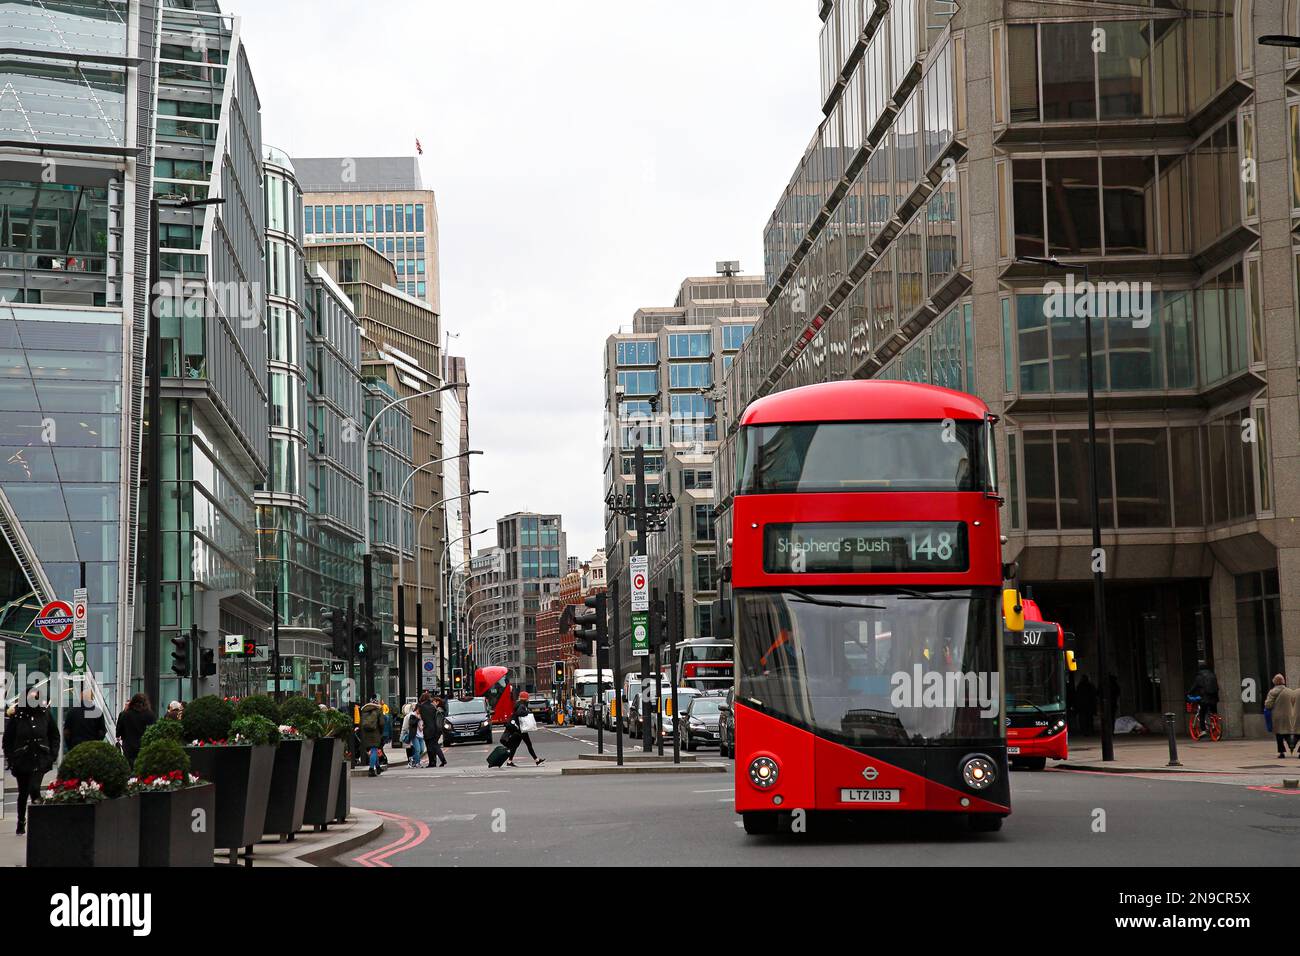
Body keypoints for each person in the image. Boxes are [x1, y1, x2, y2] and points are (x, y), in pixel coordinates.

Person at [3, 690, 59, 834]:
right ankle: (21, 820)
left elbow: (54, 735)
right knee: (23, 793)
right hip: (22, 759)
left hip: (40, 758)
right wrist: (11, 758)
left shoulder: (44, 714)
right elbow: (7, 740)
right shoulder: (18, 716)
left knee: (34, 787)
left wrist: (52, 755)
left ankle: (39, 823)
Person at [115, 692, 156, 767]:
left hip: (129, 746)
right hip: (144, 746)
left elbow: (118, 733)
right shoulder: (150, 715)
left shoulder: (125, 714)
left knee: (129, 767)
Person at [504, 691, 544, 768]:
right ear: (526, 698)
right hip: (521, 729)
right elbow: (519, 712)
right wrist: (527, 712)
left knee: (515, 745)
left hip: (518, 728)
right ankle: (536, 760)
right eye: (528, 698)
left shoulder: (518, 704)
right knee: (528, 744)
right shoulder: (522, 705)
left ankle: (510, 761)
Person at [62, 688, 107, 754]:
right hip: (92, 748)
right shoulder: (97, 712)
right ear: (91, 698)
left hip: (75, 748)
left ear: (81, 697)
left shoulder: (72, 712)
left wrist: (70, 746)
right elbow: (102, 731)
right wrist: (96, 742)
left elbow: (66, 732)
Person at [1265, 675, 1297, 758]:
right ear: (1283, 681)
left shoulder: (1272, 692)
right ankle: (1291, 743)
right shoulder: (1290, 691)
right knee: (1287, 731)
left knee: (1279, 734)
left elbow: (1268, 705)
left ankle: (1281, 752)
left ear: (1274, 682)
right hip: (1289, 715)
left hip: (1277, 716)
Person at [1188, 661, 1220, 733]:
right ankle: (1214, 723)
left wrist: (1189, 693)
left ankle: (1203, 730)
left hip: (1205, 698)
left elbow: (1194, 687)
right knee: (1213, 712)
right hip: (1214, 697)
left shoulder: (1199, 677)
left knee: (1202, 713)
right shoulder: (1212, 675)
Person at [359, 696, 386, 776]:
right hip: (375, 733)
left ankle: (377, 767)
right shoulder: (378, 710)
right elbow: (381, 723)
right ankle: (371, 769)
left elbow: (361, 723)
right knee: (374, 750)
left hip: (365, 733)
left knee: (373, 749)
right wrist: (381, 732)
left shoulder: (364, 711)